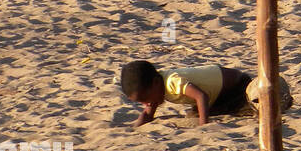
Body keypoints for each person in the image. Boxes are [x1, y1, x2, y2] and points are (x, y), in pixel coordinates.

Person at [120, 60, 290, 127]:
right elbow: (147, 115)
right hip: (218, 96)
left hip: (237, 86)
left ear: (155, 83)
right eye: (140, 102)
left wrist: (204, 126)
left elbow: (201, 96)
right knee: (192, 114)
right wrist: (134, 126)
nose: (146, 103)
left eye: (144, 99)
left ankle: (276, 96)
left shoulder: (172, 82)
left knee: (252, 103)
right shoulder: (155, 90)